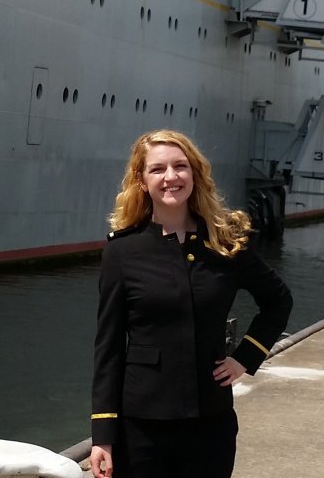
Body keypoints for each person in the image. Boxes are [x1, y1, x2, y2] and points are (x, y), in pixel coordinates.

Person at [90, 129, 293, 478]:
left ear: (195, 174)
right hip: (141, 426)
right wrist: (103, 436)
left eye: (180, 166)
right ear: (141, 181)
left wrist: (245, 357)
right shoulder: (123, 252)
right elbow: (108, 348)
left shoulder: (226, 244)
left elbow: (278, 301)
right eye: (157, 169)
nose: (171, 177)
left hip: (210, 422)